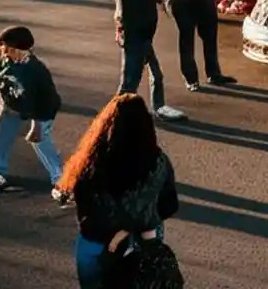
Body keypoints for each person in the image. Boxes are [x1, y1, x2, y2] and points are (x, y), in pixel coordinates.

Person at [59, 94, 182, 289]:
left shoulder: (91, 164)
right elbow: (168, 205)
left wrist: (121, 231)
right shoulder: (157, 161)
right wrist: (132, 226)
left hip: (100, 242)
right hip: (145, 235)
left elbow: (88, 212)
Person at [113, 0, 186, 122]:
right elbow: (124, 14)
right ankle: (116, 115)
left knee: (156, 74)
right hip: (136, 38)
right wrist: (123, 31)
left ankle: (158, 107)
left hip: (144, 36)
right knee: (130, 81)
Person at [0, 26, 65, 199]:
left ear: (19, 50)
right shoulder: (3, 61)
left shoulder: (35, 71)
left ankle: (61, 179)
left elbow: (42, 103)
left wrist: (36, 126)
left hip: (41, 110)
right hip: (12, 105)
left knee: (40, 142)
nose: (5, 53)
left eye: (8, 50)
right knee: (0, 135)